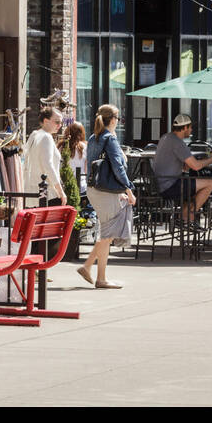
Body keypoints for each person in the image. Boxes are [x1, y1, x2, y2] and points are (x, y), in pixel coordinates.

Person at [79, 105, 134, 289]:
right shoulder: (109, 138)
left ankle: (94, 272)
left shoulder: (94, 137)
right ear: (112, 120)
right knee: (107, 233)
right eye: (118, 118)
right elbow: (118, 168)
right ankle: (95, 273)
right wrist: (128, 189)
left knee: (106, 233)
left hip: (94, 189)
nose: (119, 122)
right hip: (106, 191)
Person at [153, 114, 212, 223]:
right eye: (190, 127)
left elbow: (184, 165)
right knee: (209, 184)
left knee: (194, 188)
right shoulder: (177, 142)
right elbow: (196, 166)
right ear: (184, 128)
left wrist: (188, 165)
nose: (191, 129)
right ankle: (188, 216)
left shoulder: (166, 137)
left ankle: (184, 217)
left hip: (161, 184)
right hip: (170, 186)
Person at [23, 108, 67, 205]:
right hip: (48, 193)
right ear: (46, 121)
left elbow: (25, 161)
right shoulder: (46, 137)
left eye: (61, 122)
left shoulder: (34, 135)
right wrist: (60, 191)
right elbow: (48, 165)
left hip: (34, 191)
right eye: (57, 122)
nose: (59, 125)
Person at [64, 122, 88, 194]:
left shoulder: (61, 146)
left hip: (65, 185)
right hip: (81, 185)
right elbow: (86, 170)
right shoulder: (85, 147)